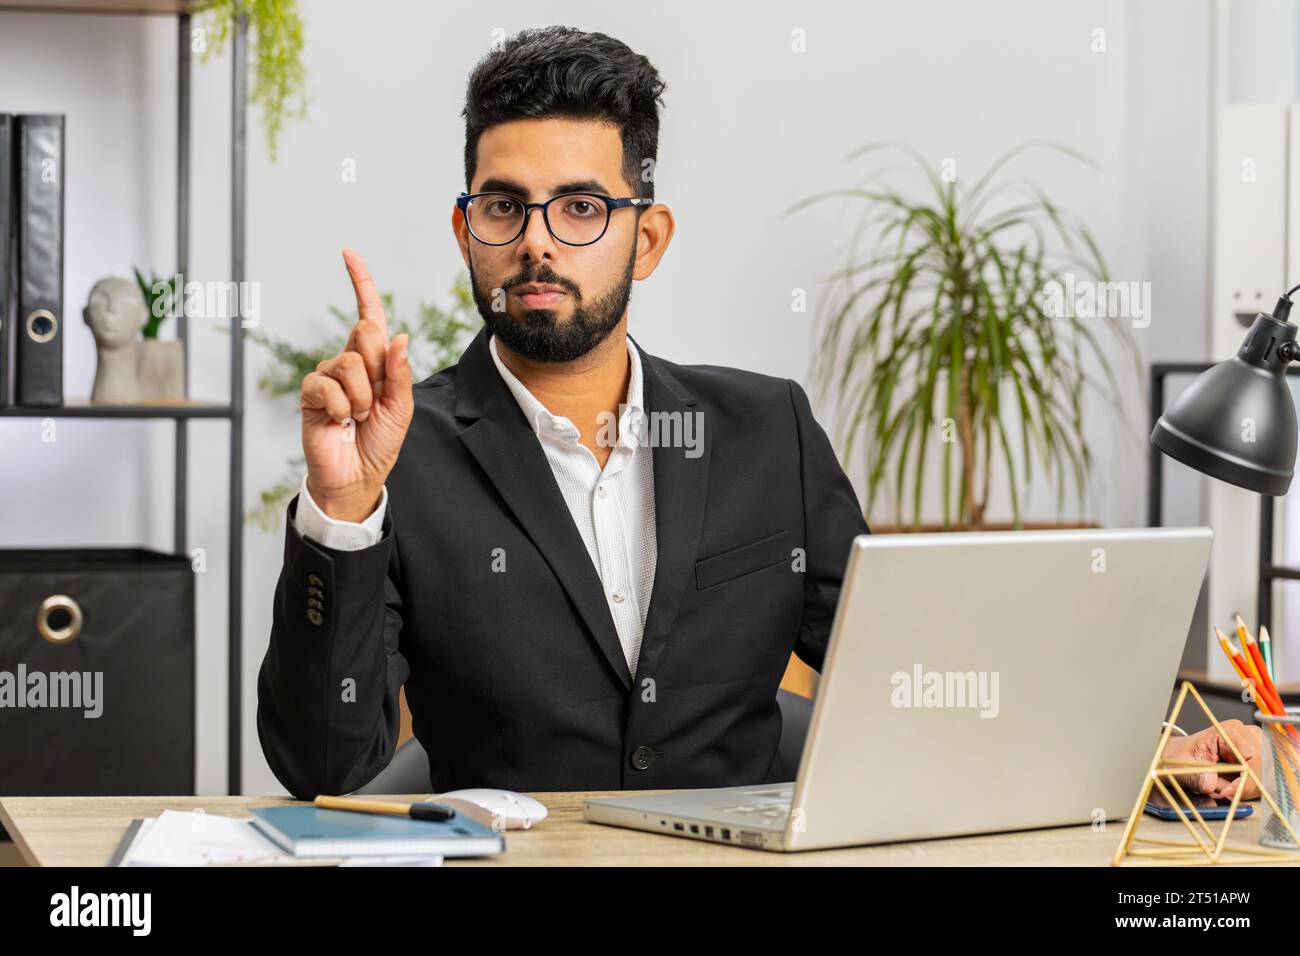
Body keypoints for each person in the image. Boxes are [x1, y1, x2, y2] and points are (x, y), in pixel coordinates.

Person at [256, 25, 1263, 805]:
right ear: (465, 228)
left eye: (579, 207)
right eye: (503, 206)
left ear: (646, 237)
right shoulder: (404, 457)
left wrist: (1141, 747)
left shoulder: (762, 429)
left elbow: (906, 669)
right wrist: (340, 508)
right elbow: (324, 764)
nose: (536, 245)